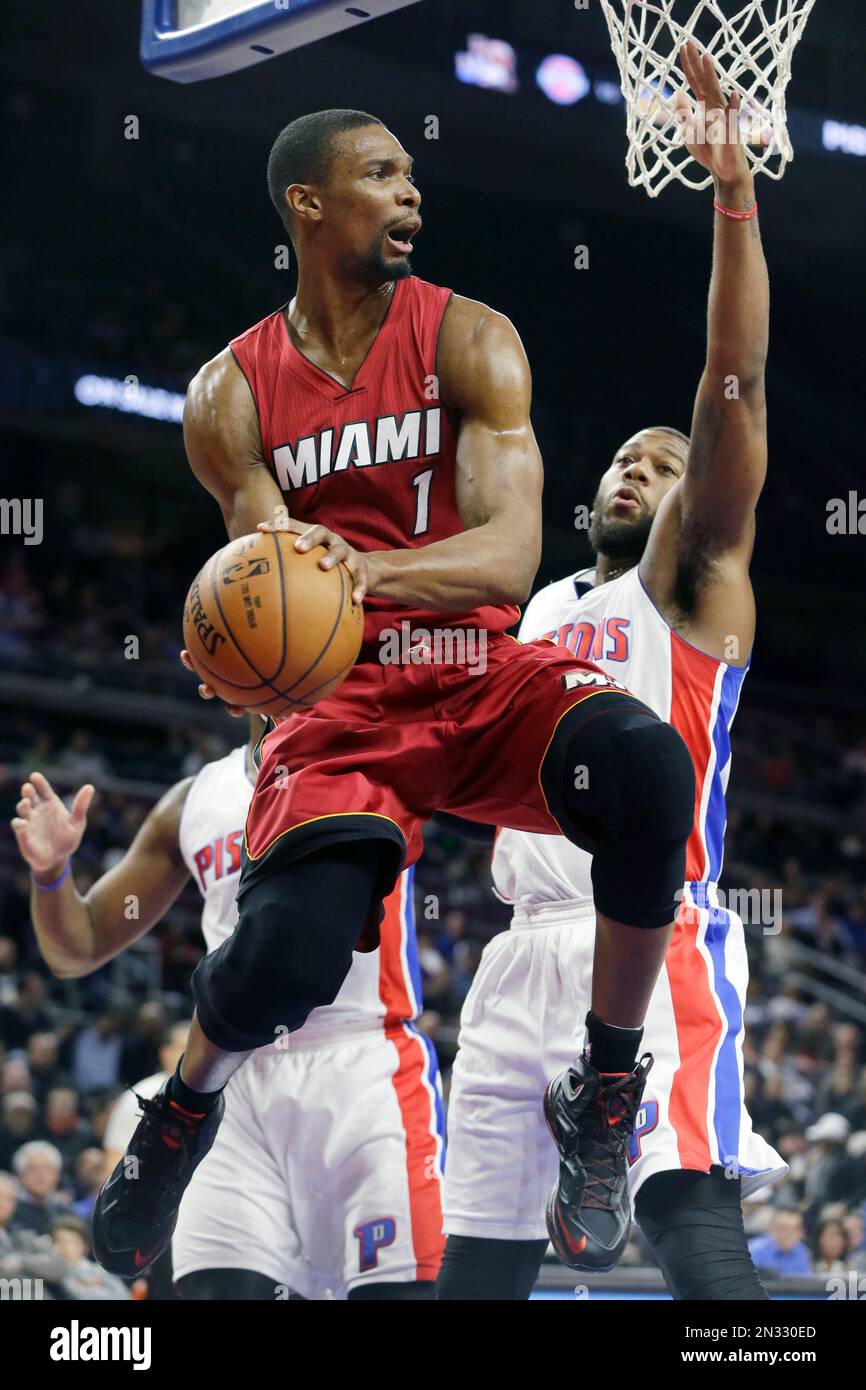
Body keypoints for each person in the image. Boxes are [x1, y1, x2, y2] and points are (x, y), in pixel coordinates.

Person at [61, 99, 695, 1279]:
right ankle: (181, 1114)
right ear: (308, 204)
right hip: (343, 701)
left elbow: (507, 556)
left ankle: (605, 1088)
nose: (412, 195)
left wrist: (362, 569)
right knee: (284, 964)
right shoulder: (229, 396)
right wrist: (247, 640)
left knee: (649, 763)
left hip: (469, 666)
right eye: (382, 175)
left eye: (412, 176)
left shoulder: (470, 338)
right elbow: (268, 592)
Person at [438, 44, 786, 1301]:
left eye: (665, 461)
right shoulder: (534, 603)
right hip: (516, 950)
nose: (641, 470)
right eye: (625, 460)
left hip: (655, 937)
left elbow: (730, 386)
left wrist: (731, 194)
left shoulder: (688, 586)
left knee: (696, 1240)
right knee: (473, 1275)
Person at [11, 718, 444, 1299]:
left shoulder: (379, 749)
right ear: (209, 678)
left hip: (363, 1066)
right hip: (227, 1080)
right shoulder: (191, 803)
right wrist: (51, 873)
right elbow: (79, 946)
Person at [748, 1210, 812, 1278]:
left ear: (801, 1233)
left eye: (794, 1229)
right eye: (782, 1228)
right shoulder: (753, 1250)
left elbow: (806, 1282)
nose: (788, 1234)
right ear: (770, 1229)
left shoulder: (802, 1251)